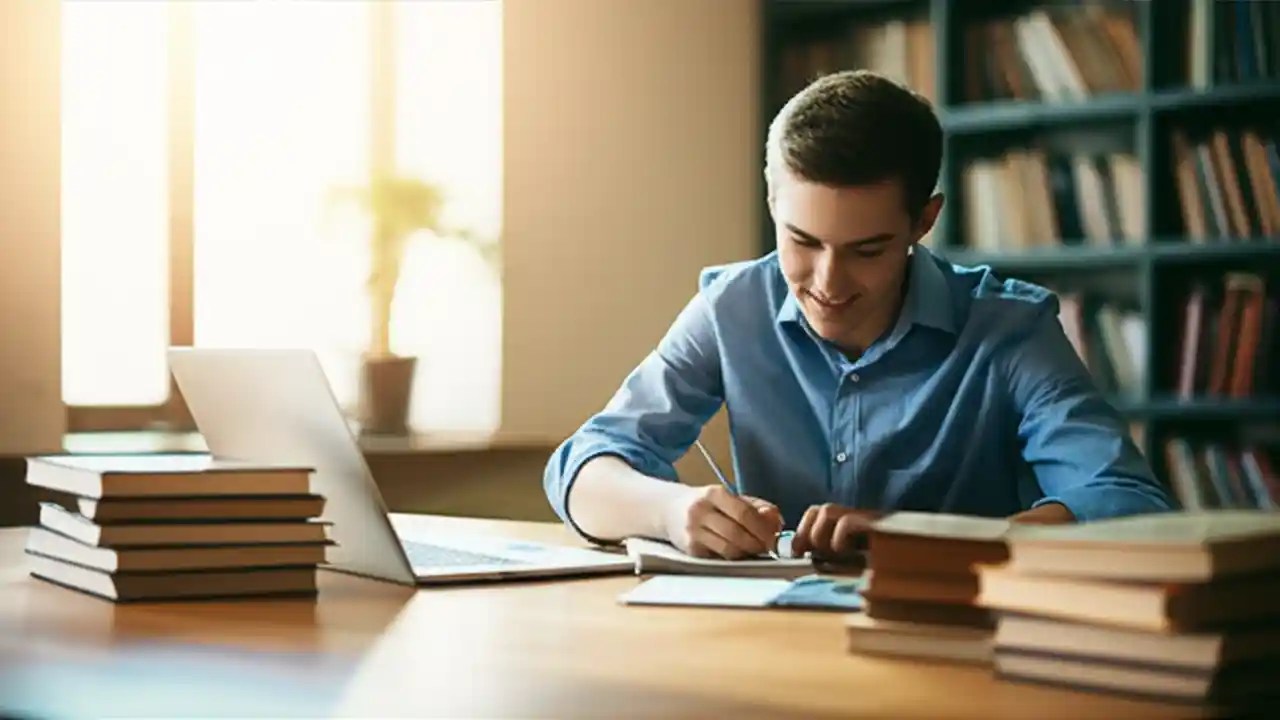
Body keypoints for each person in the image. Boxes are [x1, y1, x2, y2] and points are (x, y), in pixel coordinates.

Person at [542, 69, 1175, 562]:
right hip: (764, 640)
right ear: (772, 201)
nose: (827, 283)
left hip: (960, 649)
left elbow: (1128, 506)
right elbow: (582, 467)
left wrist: (924, 539)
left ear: (923, 221)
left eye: (866, 250)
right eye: (802, 241)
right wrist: (672, 512)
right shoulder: (731, 308)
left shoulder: (1008, 328)